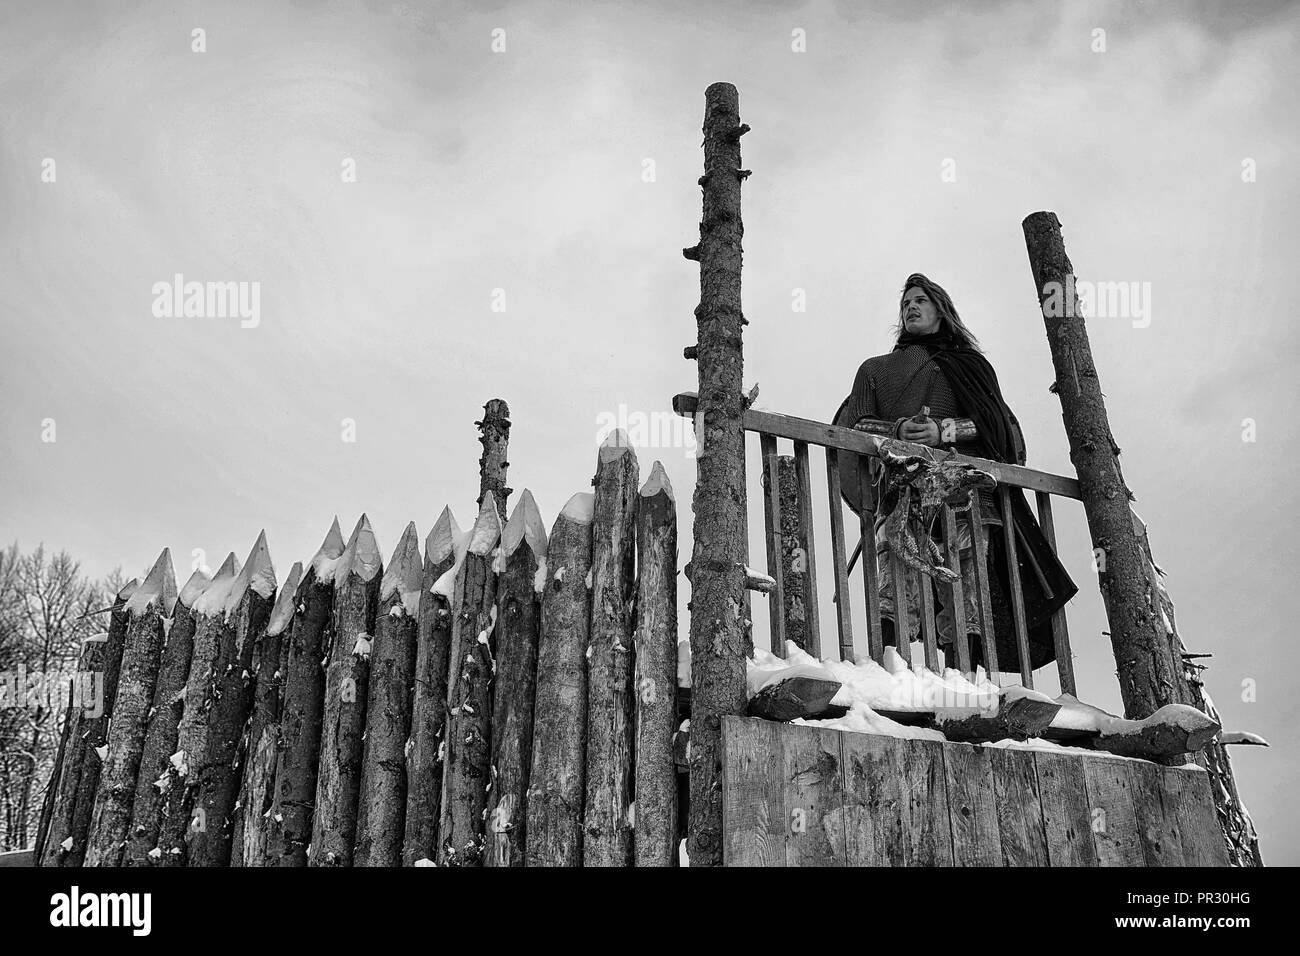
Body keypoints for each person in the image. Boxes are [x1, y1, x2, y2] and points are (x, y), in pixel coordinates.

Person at [831, 273, 1076, 673]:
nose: (910, 307)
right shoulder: (874, 370)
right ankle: (890, 675)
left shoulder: (970, 366)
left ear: (941, 311)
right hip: (900, 495)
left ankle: (966, 682)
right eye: (906, 303)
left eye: (920, 301)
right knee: (894, 589)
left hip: (966, 498)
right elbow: (853, 427)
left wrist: (941, 430)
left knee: (965, 591)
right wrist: (897, 430)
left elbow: (995, 426)